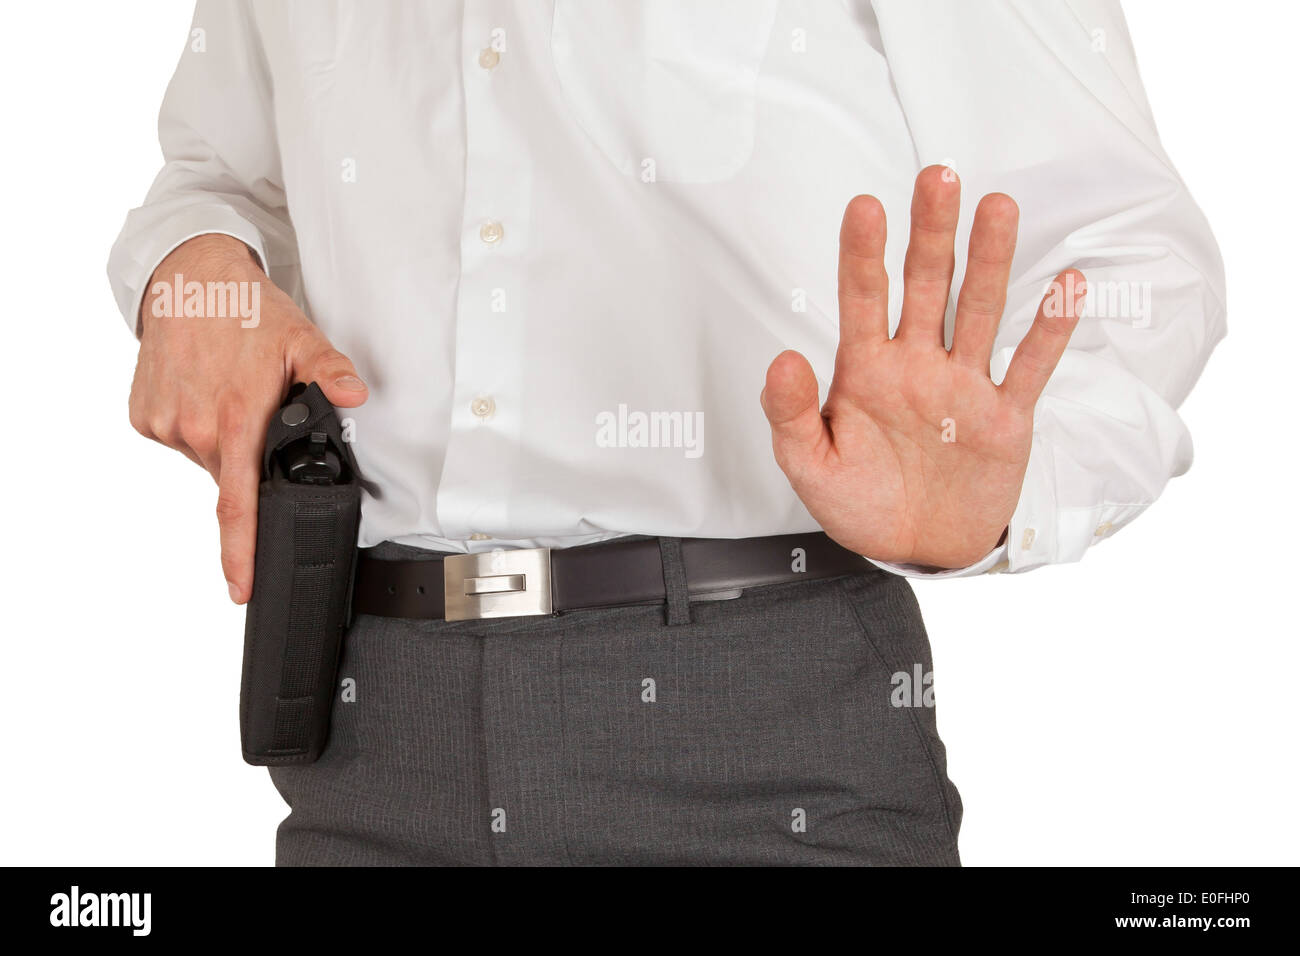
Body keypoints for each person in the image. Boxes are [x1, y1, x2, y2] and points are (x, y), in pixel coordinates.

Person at [108, 1, 1224, 866]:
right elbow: (218, 175)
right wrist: (194, 263)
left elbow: (1130, 250)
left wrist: (1008, 494)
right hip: (370, 729)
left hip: (759, 721)